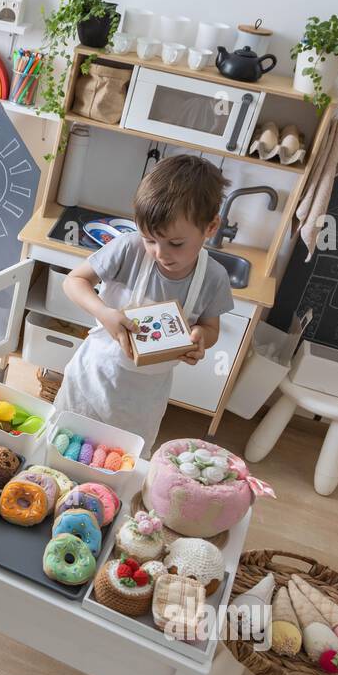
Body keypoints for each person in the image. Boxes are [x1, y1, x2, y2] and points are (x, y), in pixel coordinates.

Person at [54, 154, 236, 453]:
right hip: (93, 379)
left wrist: (200, 339)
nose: (160, 252)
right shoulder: (129, 249)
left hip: (143, 400)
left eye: (175, 244)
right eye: (150, 239)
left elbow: (210, 327)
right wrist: (104, 312)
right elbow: (74, 281)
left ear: (211, 227)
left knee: (120, 463)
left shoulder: (213, 278)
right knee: (66, 448)